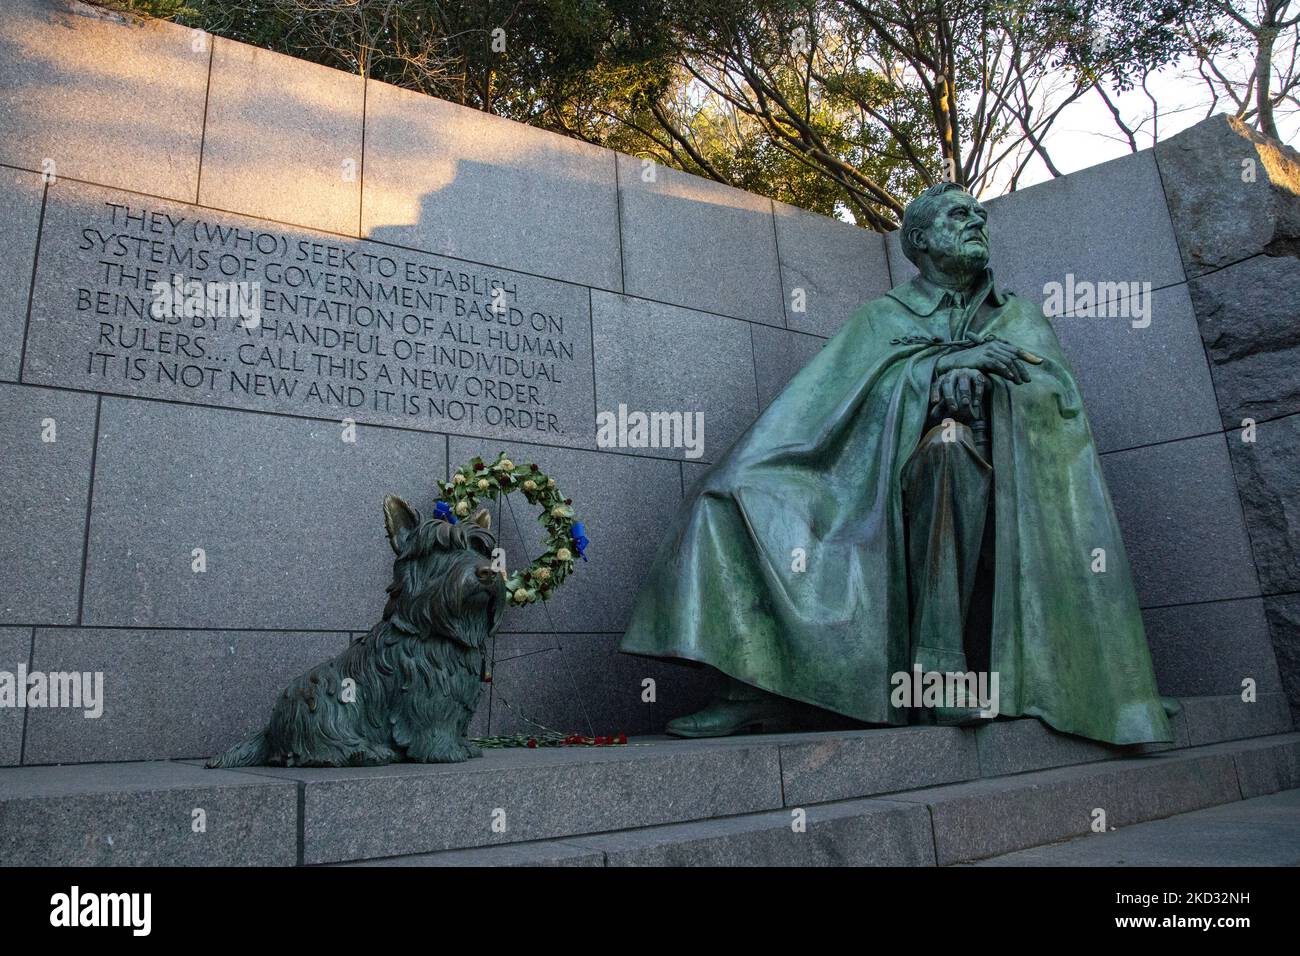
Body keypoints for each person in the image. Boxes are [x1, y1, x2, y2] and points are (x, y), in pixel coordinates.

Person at [620, 182, 1175, 746]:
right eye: (960, 215)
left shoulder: (1018, 317)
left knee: (949, 451)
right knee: (729, 492)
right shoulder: (884, 317)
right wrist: (935, 373)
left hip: (999, 489)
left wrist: (979, 386)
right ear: (918, 240)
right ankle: (754, 690)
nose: (976, 221)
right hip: (868, 482)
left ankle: (941, 673)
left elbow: (1056, 404)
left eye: (980, 215)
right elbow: (827, 407)